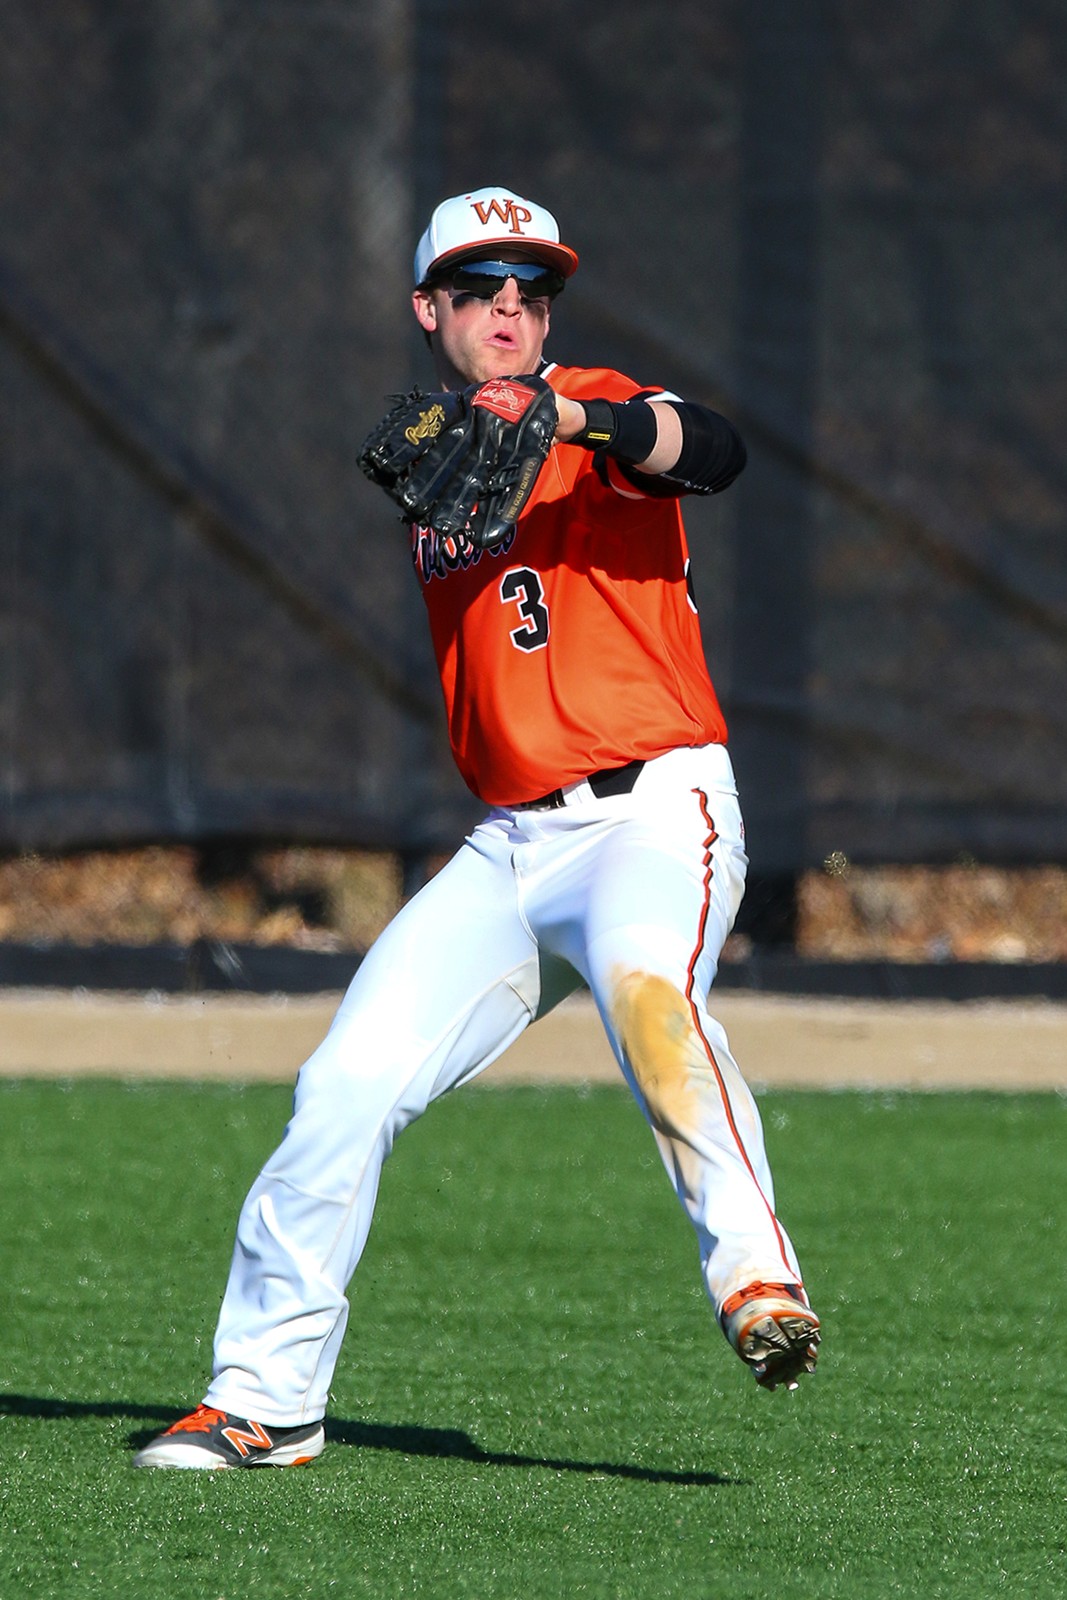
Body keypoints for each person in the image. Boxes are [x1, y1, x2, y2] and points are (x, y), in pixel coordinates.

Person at [133, 186, 820, 1470]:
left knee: (644, 996)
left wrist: (565, 412)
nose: (513, 305)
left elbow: (710, 448)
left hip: (653, 810)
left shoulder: (597, 404)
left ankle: (756, 1285)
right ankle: (264, 1404)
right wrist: (492, 427)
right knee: (340, 1088)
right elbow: (459, 491)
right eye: (484, 286)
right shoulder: (437, 450)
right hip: (508, 846)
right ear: (428, 309)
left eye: (533, 288)